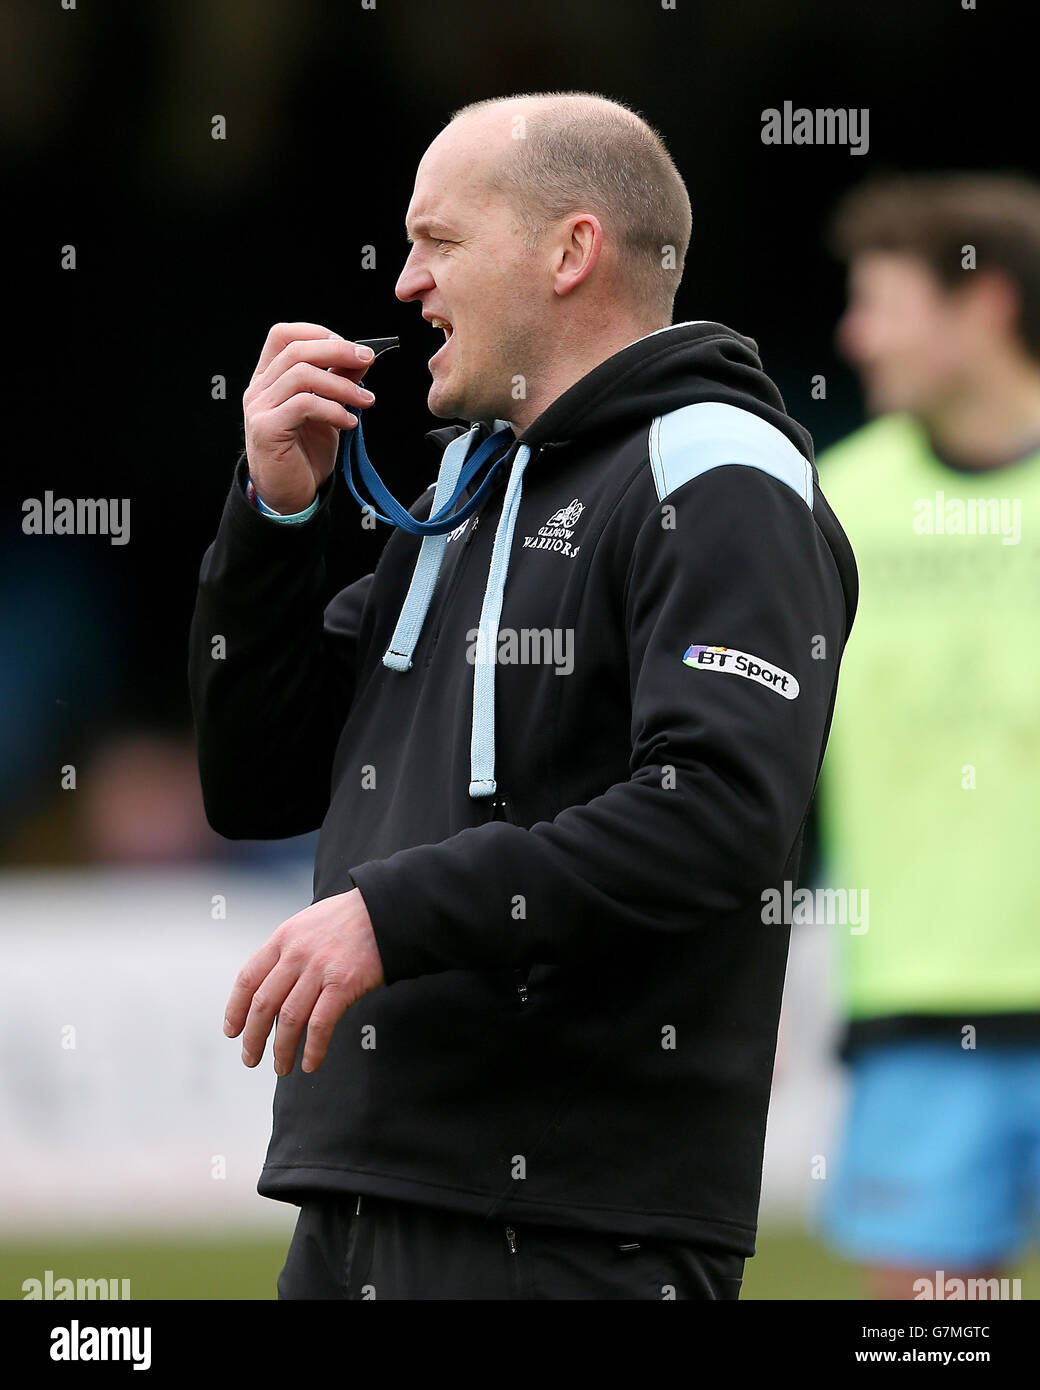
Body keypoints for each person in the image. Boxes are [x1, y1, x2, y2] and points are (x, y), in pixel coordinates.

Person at [188, 90, 857, 1300]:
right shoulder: (471, 482)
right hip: (360, 1188)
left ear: (569, 251)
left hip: (571, 1221)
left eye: (436, 241)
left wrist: (392, 913)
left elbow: (714, 814)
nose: (402, 283)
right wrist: (275, 514)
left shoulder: (717, 472)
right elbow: (259, 778)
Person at [813, 172, 1040, 1300]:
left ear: (982, 304)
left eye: (883, 303)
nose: (854, 336)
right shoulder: (828, 504)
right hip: (916, 1010)